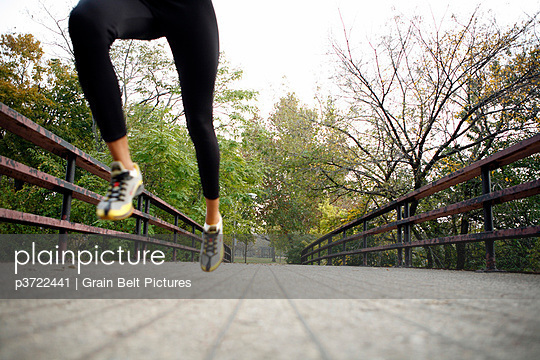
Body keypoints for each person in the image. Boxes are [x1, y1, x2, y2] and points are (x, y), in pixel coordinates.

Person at [69, 0, 223, 272]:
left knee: (199, 122)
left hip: (191, 9)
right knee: (85, 19)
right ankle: (125, 171)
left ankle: (212, 223)